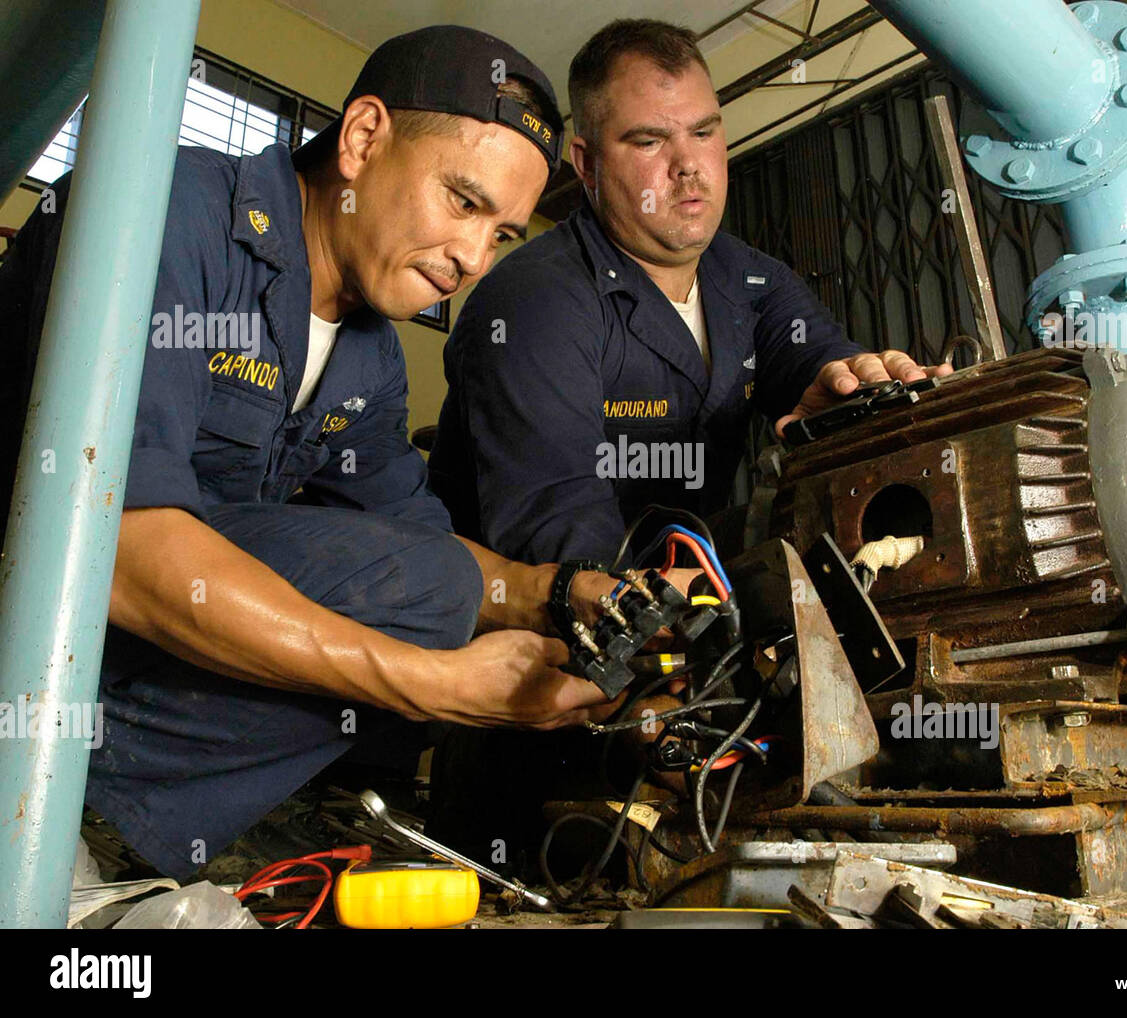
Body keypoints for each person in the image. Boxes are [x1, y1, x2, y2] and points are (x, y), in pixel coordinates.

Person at [0, 26, 641, 879]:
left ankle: (111, 836)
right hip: (36, 624)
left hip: (115, 660)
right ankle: (72, 815)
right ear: (364, 138)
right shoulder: (163, 208)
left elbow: (421, 542)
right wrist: (436, 684)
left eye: (502, 235)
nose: (472, 259)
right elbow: (112, 553)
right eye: (463, 202)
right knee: (436, 604)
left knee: (443, 587)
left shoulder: (369, 357)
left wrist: (557, 595)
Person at [430, 18, 951, 567]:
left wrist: (861, 390)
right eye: (649, 141)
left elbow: (817, 362)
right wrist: (687, 600)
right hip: (532, 611)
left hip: (690, 590)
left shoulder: (753, 279)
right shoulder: (533, 302)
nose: (688, 167)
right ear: (587, 164)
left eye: (703, 133)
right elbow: (560, 537)